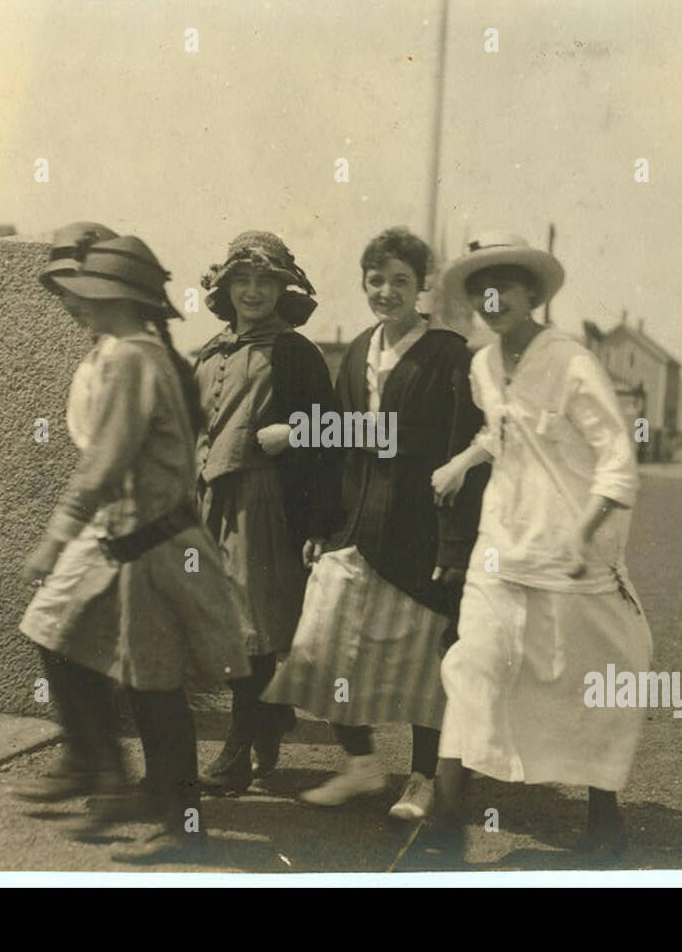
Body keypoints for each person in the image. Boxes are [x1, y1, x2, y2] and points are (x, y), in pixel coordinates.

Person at [16, 227, 250, 863]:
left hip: (152, 543)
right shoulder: (138, 350)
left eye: (93, 292)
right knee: (60, 635)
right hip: (134, 538)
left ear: (120, 297)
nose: (82, 301)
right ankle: (110, 775)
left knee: (153, 683)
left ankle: (181, 826)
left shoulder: (130, 359)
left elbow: (106, 462)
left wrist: (55, 535)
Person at [423, 232, 653, 864]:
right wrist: (465, 461)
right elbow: (501, 431)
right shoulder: (482, 365)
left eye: (502, 288)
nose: (490, 300)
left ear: (530, 294)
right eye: (478, 291)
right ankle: (444, 820)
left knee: (596, 682)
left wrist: (582, 534)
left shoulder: (571, 361)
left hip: (572, 556)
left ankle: (604, 818)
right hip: (501, 544)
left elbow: (617, 461)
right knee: (473, 664)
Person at [263, 227, 488, 821]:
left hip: (420, 535)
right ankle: (362, 767)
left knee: (425, 664)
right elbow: (342, 448)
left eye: (400, 281)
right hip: (356, 532)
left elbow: (458, 451)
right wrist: (322, 524)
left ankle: (422, 780)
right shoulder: (359, 349)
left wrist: (455, 544)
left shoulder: (449, 355)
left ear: (422, 288)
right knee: (319, 648)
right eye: (375, 279)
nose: (386, 291)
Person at [193, 231, 339, 794]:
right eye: (242, 281)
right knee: (225, 625)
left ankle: (236, 749)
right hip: (211, 502)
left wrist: (292, 434)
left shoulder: (294, 353)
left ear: (284, 289)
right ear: (226, 288)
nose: (252, 292)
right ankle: (268, 719)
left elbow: (331, 431)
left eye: (265, 281)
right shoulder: (209, 351)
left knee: (250, 627)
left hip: (262, 504)